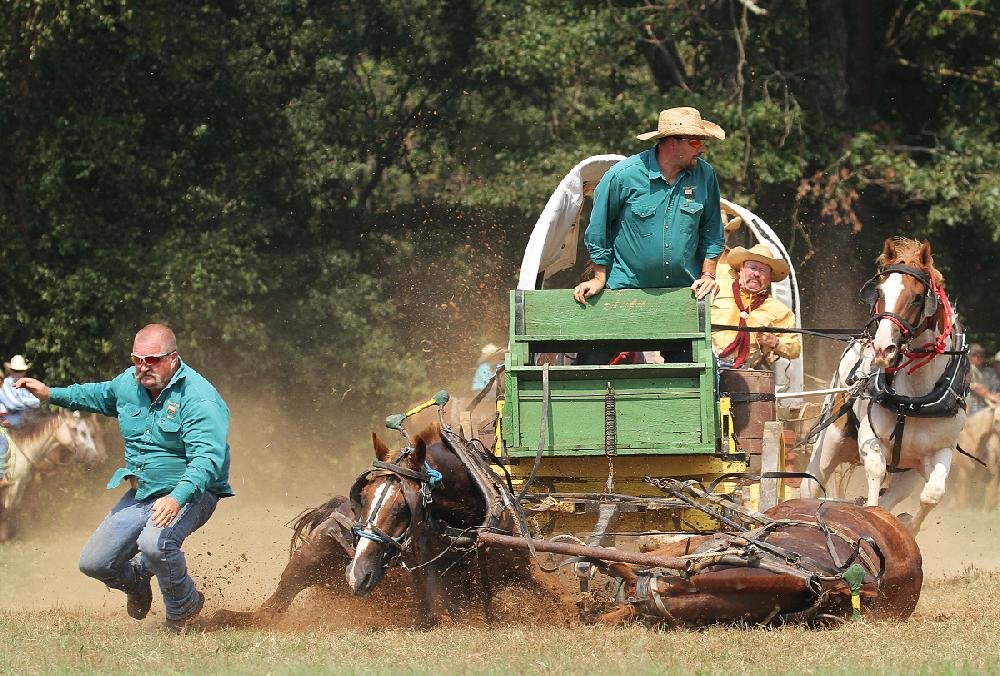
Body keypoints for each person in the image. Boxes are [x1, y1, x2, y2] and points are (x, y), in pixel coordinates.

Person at [15, 324, 233, 633]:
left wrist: (176, 498)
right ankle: (138, 581)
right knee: (94, 562)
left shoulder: (199, 398)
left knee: (155, 544)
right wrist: (51, 393)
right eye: (137, 359)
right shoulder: (129, 384)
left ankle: (183, 610)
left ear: (173, 358)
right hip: (143, 493)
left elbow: (208, 459)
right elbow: (97, 395)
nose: (143, 367)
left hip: (191, 493)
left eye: (153, 360)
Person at [572, 106, 726, 305]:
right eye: (695, 142)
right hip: (625, 293)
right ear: (671, 143)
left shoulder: (705, 175)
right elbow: (598, 230)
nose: (702, 149)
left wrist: (708, 276)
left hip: (687, 294)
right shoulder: (622, 175)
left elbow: (713, 230)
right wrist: (599, 278)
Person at [711, 244, 800, 369]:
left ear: (769, 278)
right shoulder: (717, 290)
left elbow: (795, 348)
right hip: (709, 365)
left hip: (747, 373)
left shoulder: (779, 310)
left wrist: (775, 342)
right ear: (741, 269)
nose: (756, 274)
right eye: (752, 268)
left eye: (763, 270)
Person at [0, 354, 42, 485]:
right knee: (3, 442)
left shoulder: (26, 385)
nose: (18, 374)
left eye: (21, 371)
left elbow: (37, 402)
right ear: (11, 371)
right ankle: (1, 476)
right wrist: (24, 403)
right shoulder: (5, 385)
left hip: (23, 419)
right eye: (15, 371)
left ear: (24, 372)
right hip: (6, 418)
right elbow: (11, 405)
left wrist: (22, 402)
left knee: (40, 436)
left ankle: (39, 471)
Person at [967, 344, 998, 413]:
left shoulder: (988, 371)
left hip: (986, 405)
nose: (978, 357)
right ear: (969, 356)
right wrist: (989, 395)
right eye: (974, 355)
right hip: (972, 406)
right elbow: (972, 386)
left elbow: (994, 386)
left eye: (981, 355)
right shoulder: (967, 369)